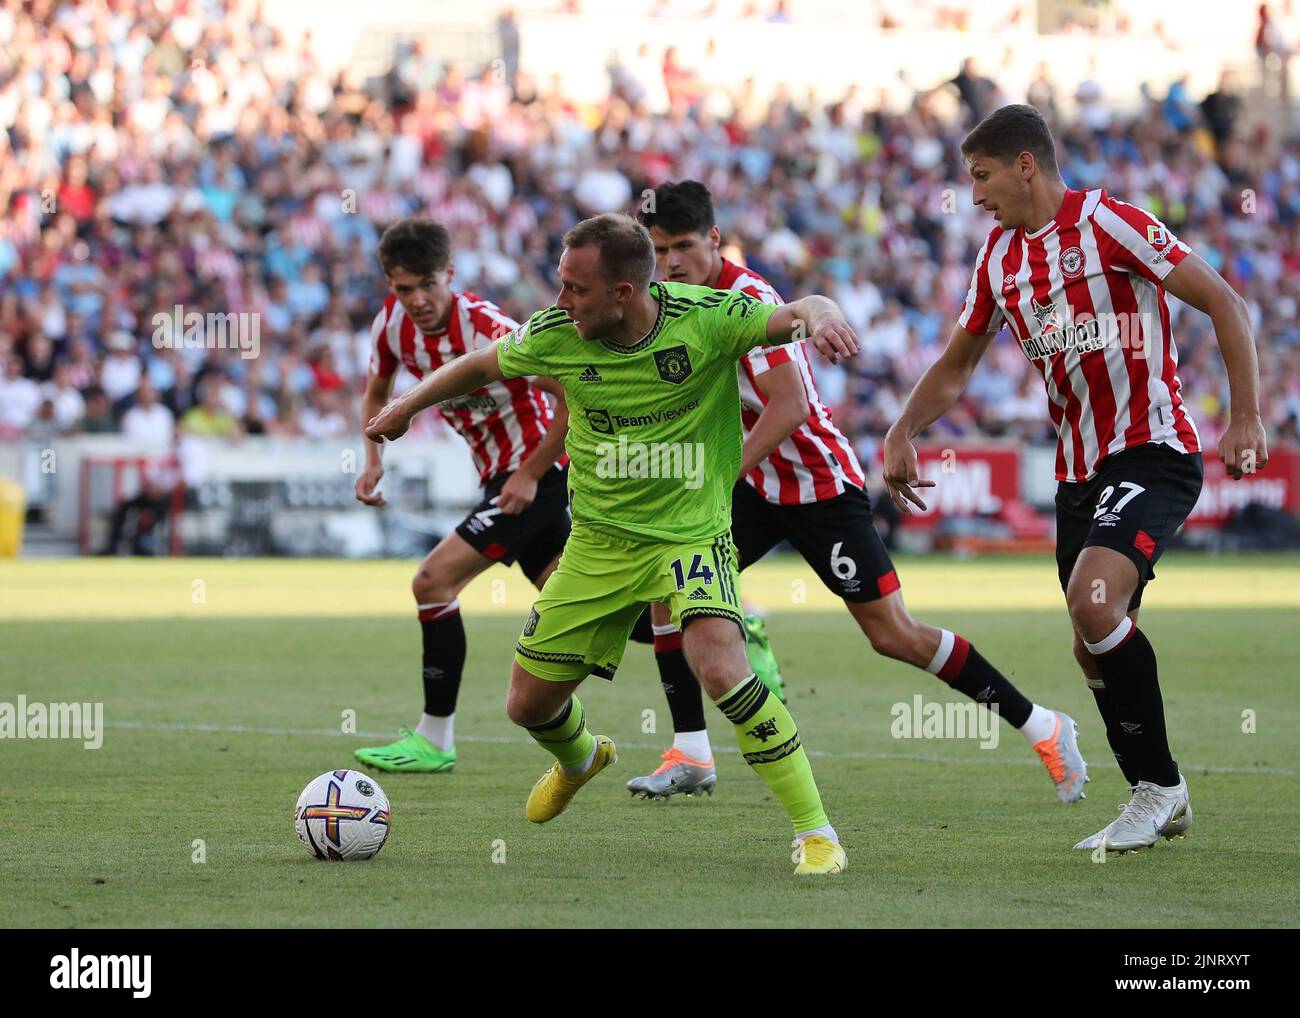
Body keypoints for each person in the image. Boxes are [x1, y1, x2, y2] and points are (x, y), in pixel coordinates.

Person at [367, 213, 859, 874]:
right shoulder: (556, 334)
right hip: (597, 546)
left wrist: (823, 313)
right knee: (526, 704)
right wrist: (405, 406)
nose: (561, 301)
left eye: (576, 288)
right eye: (561, 284)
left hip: (691, 535)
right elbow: (478, 366)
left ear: (624, 292)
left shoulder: (708, 319)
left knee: (720, 669)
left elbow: (796, 310)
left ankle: (816, 833)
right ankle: (580, 757)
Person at [882, 104, 1267, 852]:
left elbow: (1226, 299)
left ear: (1026, 164)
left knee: (1094, 601)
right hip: (1078, 472)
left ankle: (1159, 789)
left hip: (1152, 447)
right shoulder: (997, 259)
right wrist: (902, 428)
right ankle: (1156, 795)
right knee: (1091, 644)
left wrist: (1245, 415)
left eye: (983, 176)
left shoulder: (1112, 223)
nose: (977, 193)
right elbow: (958, 366)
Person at [629, 179, 1088, 803]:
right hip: (753, 486)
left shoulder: (747, 299)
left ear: (714, 238)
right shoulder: (664, 301)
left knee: (892, 634)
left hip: (818, 485)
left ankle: (1043, 725)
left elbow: (788, 408)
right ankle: (692, 753)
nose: (672, 261)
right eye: (658, 250)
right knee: (668, 585)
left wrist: (715, 474)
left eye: (682, 245)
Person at [353, 218, 571, 774]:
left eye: (429, 284)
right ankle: (725, 621)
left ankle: (435, 738)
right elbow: (376, 392)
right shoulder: (392, 328)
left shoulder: (489, 327)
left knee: (432, 580)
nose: (419, 300)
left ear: (450, 273)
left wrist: (530, 472)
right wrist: (374, 456)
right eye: (405, 289)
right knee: (579, 597)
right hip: (503, 479)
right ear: (391, 287)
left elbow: (571, 393)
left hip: (539, 477)